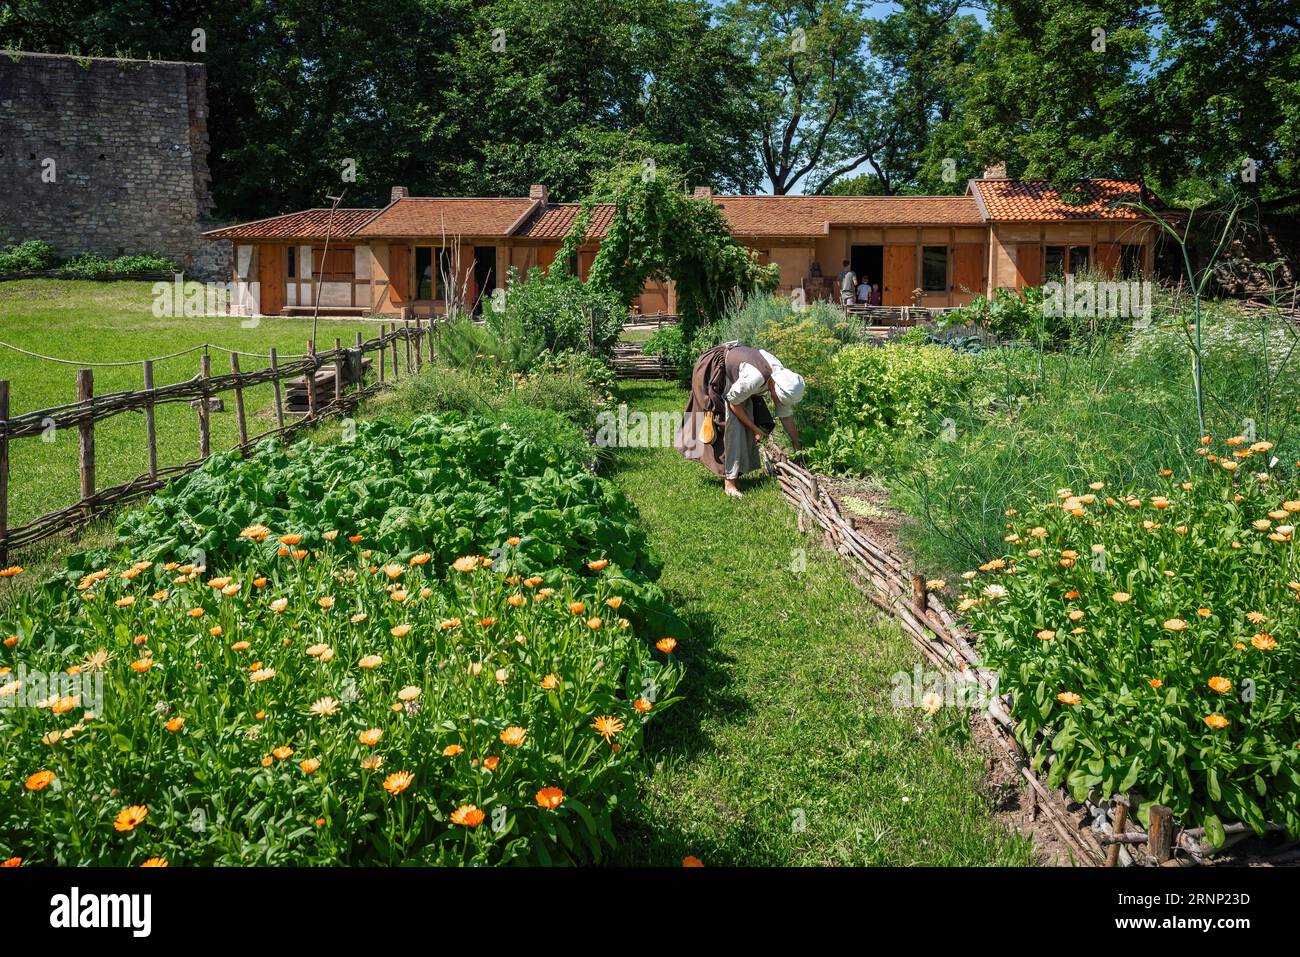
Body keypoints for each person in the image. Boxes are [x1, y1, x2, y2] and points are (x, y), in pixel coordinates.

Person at [675, 342, 806, 498]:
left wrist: (797, 445)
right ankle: (729, 483)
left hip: (735, 375)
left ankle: (737, 471)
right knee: (731, 426)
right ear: (776, 389)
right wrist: (754, 429)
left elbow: (785, 414)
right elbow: (734, 404)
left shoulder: (781, 376)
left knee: (747, 414)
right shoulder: (755, 378)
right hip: (713, 370)